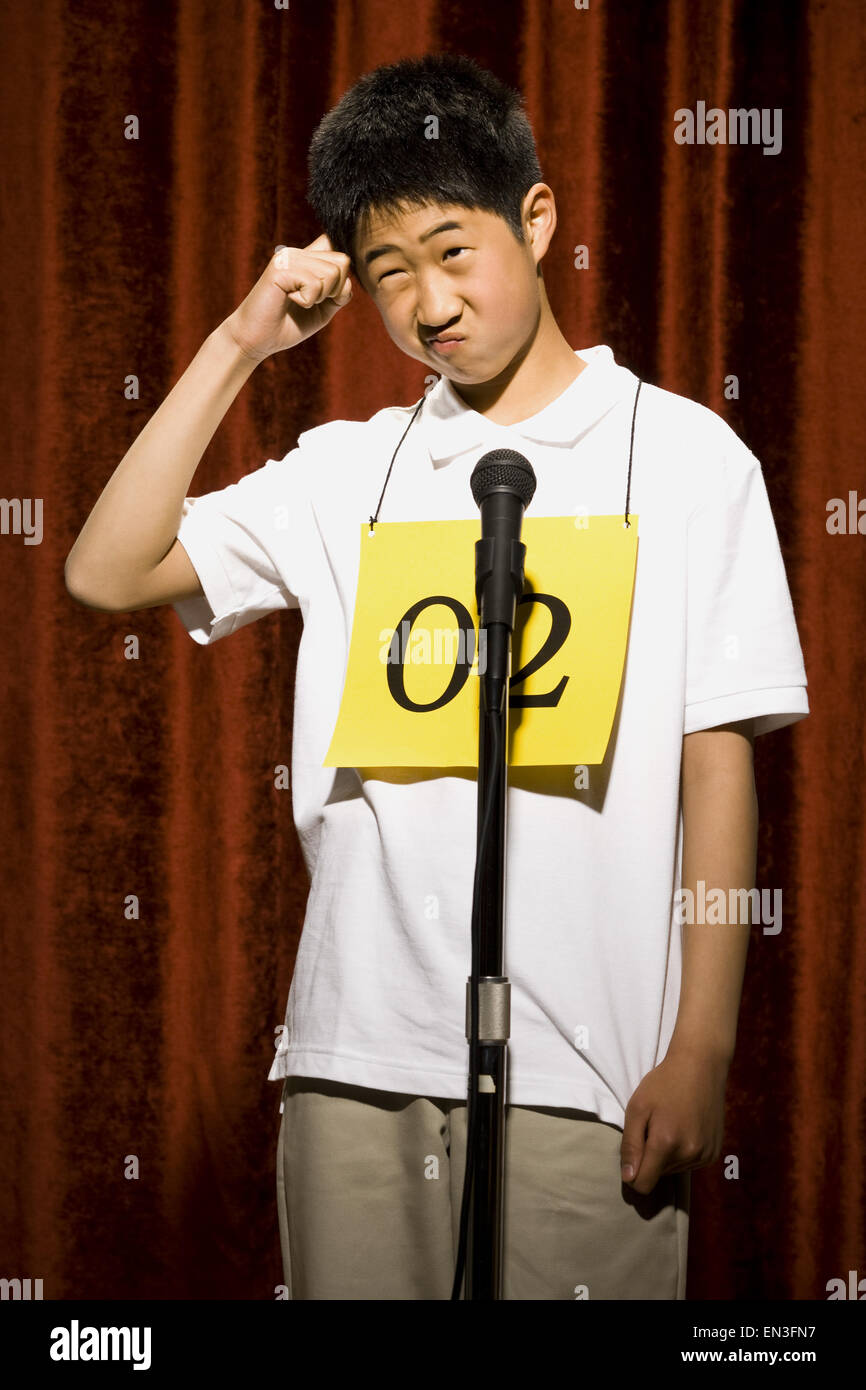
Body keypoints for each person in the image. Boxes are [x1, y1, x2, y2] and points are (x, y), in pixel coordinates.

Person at [64, 52, 809, 1301]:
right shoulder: (344, 468)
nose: (427, 304)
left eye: (452, 252)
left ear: (537, 218)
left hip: (591, 1067)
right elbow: (105, 568)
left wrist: (703, 1045)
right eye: (387, 273)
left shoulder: (688, 455)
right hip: (357, 1059)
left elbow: (712, 755)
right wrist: (239, 344)